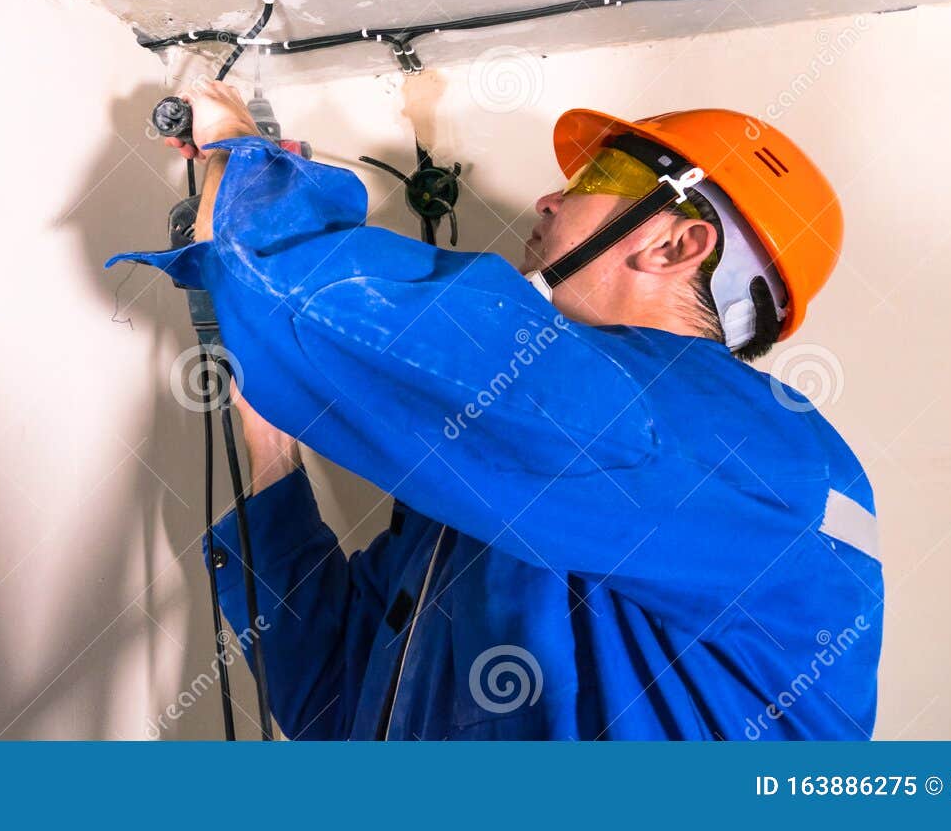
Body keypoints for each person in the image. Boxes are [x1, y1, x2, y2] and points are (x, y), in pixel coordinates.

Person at [108, 79, 882, 740]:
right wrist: (271, 441)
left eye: (600, 174)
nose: (548, 197)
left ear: (678, 244)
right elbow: (334, 701)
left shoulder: (748, 434)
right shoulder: (519, 472)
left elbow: (367, 313)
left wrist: (245, 159)